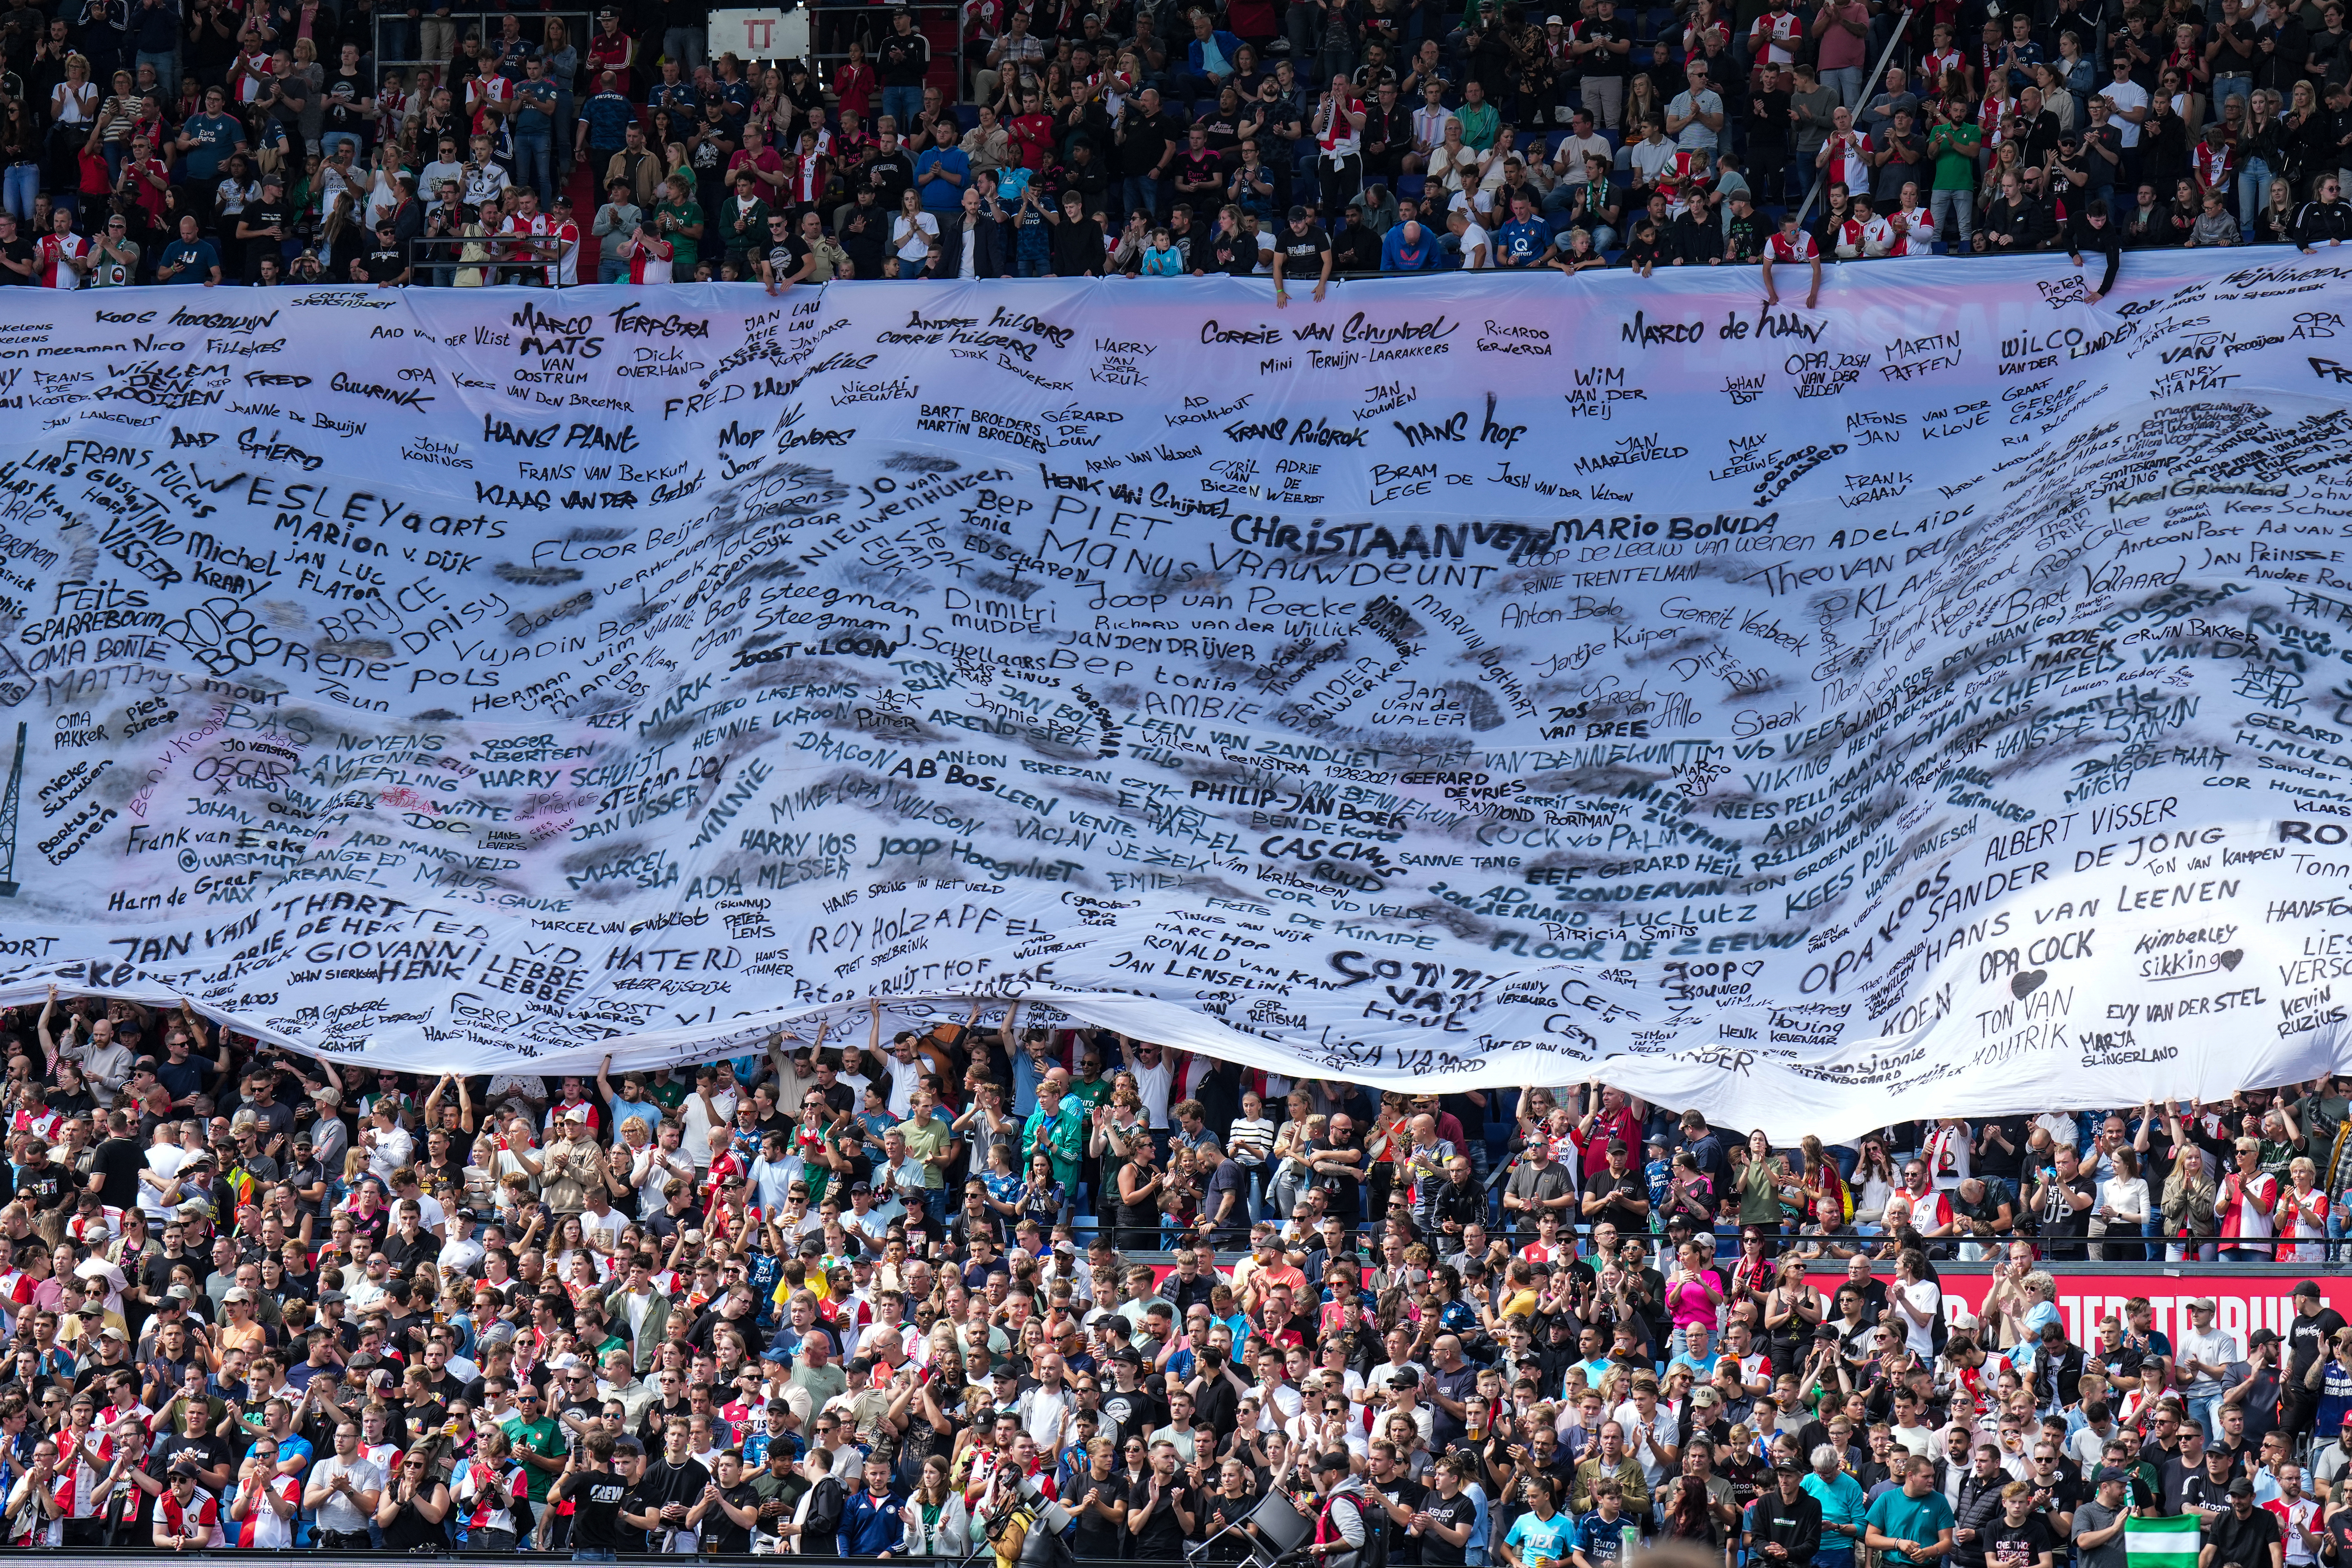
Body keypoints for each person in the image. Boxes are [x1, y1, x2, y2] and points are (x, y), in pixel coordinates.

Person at [1761, 209, 1820, 307]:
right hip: (1789, 271)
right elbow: (1766, 269)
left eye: (1799, 229)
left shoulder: (1807, 239)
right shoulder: (1773, 242)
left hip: (1807, 267)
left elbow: (1817, 269)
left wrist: (1813, 295)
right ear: (1783, 233)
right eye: (1793, 232)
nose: (1798, 233)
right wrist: (1772, 294)